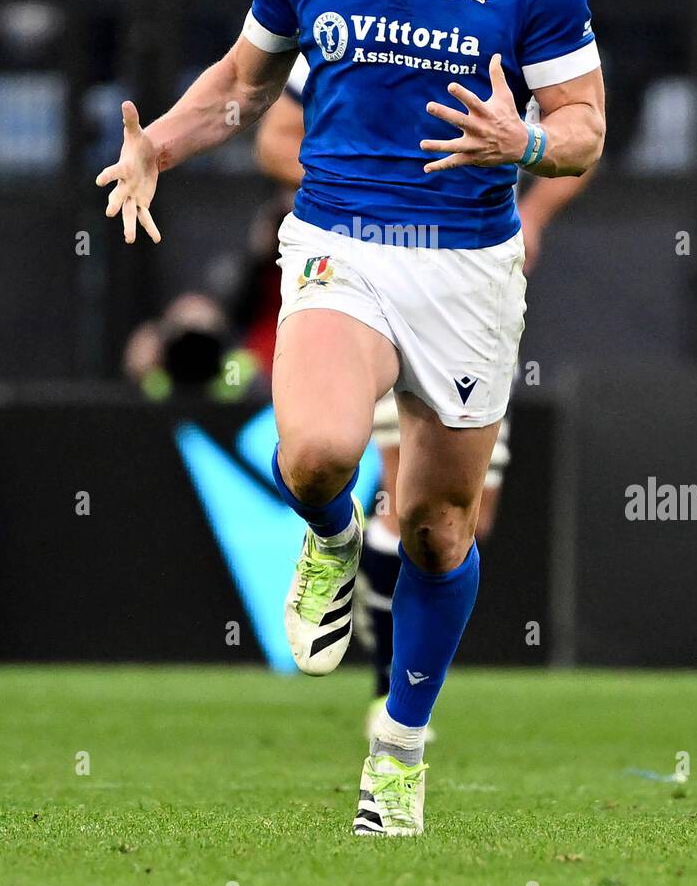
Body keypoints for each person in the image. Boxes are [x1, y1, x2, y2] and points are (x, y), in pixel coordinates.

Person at [96, 0, 605, 836]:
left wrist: (518, 142)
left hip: (470, 264)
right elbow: (241, 84)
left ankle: (399, 750)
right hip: (341, 239)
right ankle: (327, 544)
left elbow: (583, 127)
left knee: (436, 530)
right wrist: (156, 148)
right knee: (318, 451)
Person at [255, 52, 594, 737]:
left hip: (467, 281)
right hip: (362, 274)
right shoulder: (349, 10)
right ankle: (388, 694)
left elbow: (582, 135)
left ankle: (398, 705)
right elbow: (274, 136)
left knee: (453, 521)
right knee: (364, 467)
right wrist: (366, 185)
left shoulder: (521, 5)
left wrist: (532, 205)